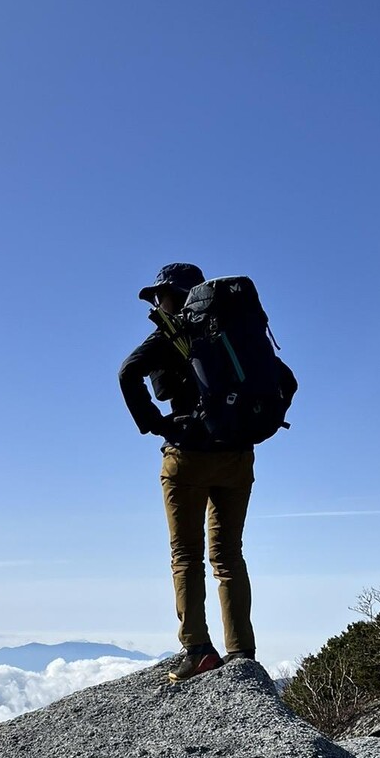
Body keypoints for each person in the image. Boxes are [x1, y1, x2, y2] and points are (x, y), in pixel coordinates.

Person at [118, 261, 257, 682]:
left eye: (159, 296)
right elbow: (284, 380)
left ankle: (197, 649)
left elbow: (128, 372)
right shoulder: (233, 329)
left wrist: (156, 424)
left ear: (171, 296)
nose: (157, 304)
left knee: (186, 556)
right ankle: (241, 651)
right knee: (229, 556)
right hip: (237, 456)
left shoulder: (172, 332)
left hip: (188, 456)